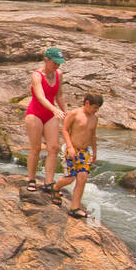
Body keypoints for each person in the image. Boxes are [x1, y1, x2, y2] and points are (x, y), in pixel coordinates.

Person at [23, 46, 67, 193]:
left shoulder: (59, 74)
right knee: (35, 148)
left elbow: (59, 95)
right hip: (35, 114)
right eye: (54, 62)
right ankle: (31, 179)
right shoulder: (37, 75)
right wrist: (54, 109)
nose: (57, 66)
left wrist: (64, 112)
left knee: (53, 148)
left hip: (50, 115)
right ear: (46, 60)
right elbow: (40, 96)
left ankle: (49, 182)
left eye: (59, 63)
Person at [53, 92, 103, 218]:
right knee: (70, 178)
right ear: (87, 103)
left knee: (82, 178)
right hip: (71, 149)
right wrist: (69, 147)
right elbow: (64, 129)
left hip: (84, 152)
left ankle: (75, 208)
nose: (95, 111)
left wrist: (95, 152)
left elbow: (92, 135)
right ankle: (56, 188)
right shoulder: (75, 114)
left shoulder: (94, 118)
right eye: (95, 107)